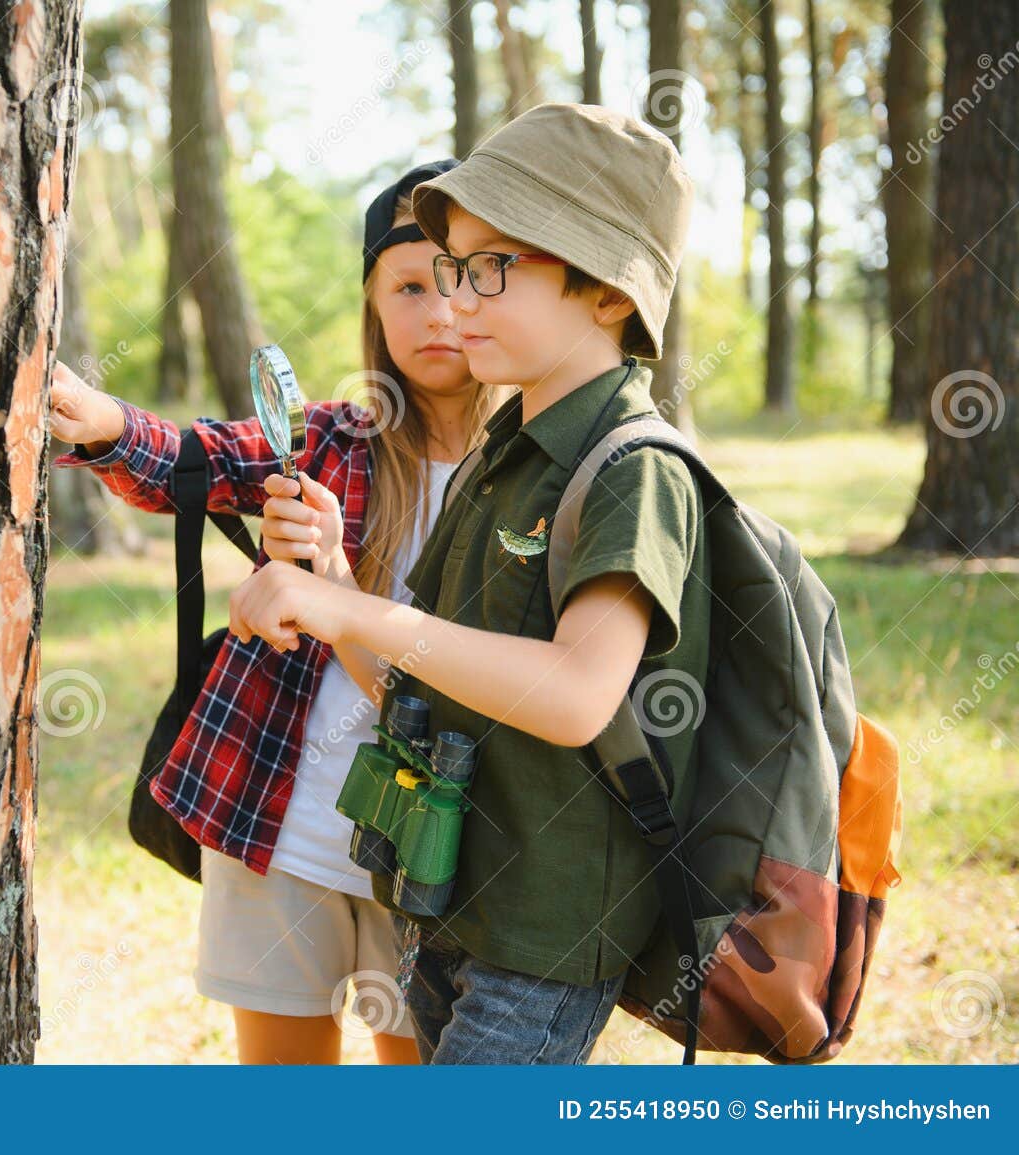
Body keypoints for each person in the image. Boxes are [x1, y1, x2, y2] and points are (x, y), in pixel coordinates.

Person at [225, 103, 707, 1065]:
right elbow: (414, 683)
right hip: (449, 901)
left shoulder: (631, 467)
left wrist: (349, 605)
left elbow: (575, 694)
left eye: (493, 268)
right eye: (450, 268)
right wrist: (328, 581)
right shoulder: (504, 455)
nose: (456, 301)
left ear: (610, 289)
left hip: (544, 933)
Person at [48, 160, 509, 1064]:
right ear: (374, 306)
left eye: (459, 280)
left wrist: (334, 579)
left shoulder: (534, 471)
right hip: (277, 822)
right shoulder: (332, 437)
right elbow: (189, 460)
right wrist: (99, 418)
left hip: (437, 849)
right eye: (407, 286)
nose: (438, 312)